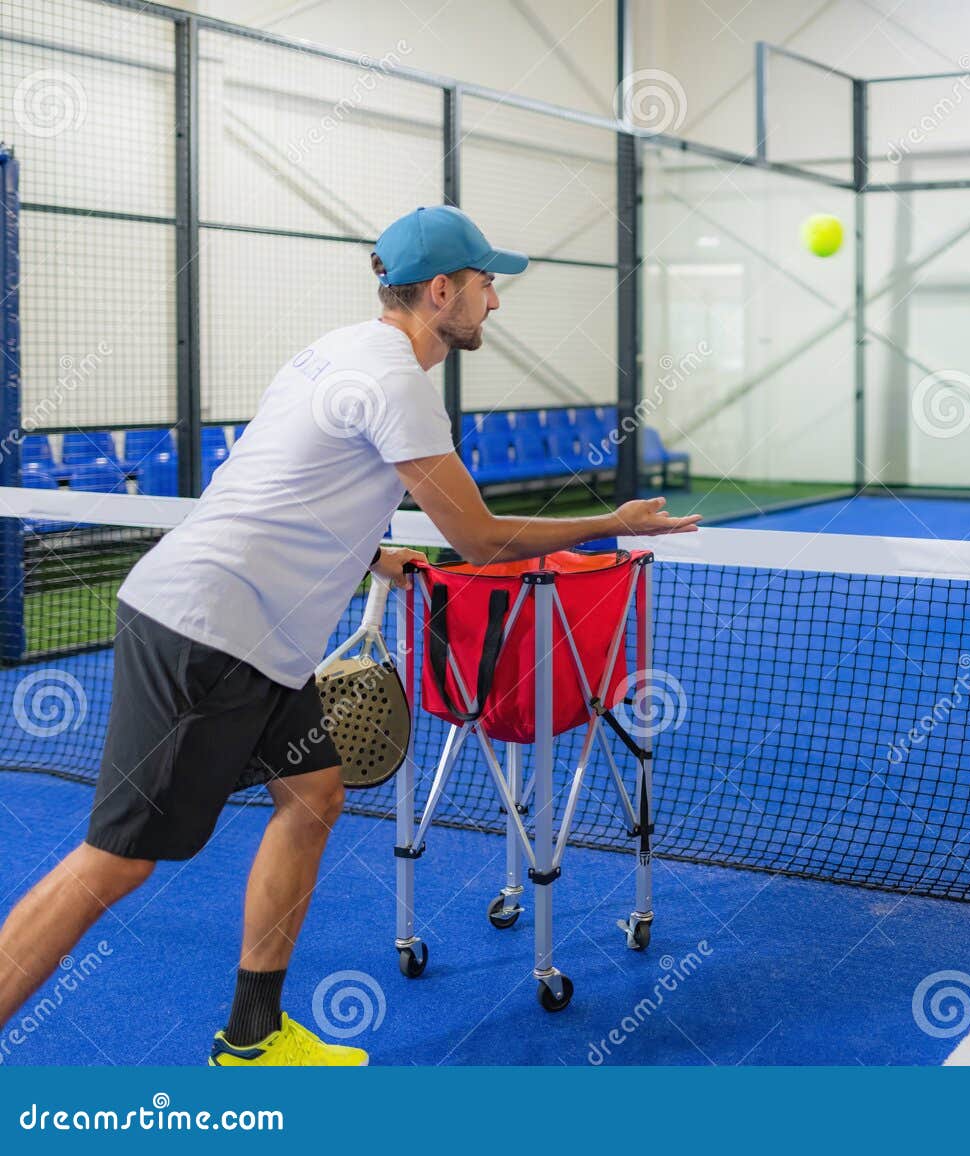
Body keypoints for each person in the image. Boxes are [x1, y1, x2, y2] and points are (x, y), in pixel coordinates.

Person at [0, 205, 699, 1065]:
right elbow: (478, 539)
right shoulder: (395, 381)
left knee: (314, 794)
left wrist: (372, 550)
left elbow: (282, 479)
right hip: (207, 633)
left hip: (257, 638)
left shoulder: (334, 350)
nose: (495, 302)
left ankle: (253, 1035)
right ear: (440, 290)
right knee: (114, 864)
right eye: (486, 284)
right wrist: (615, 521)